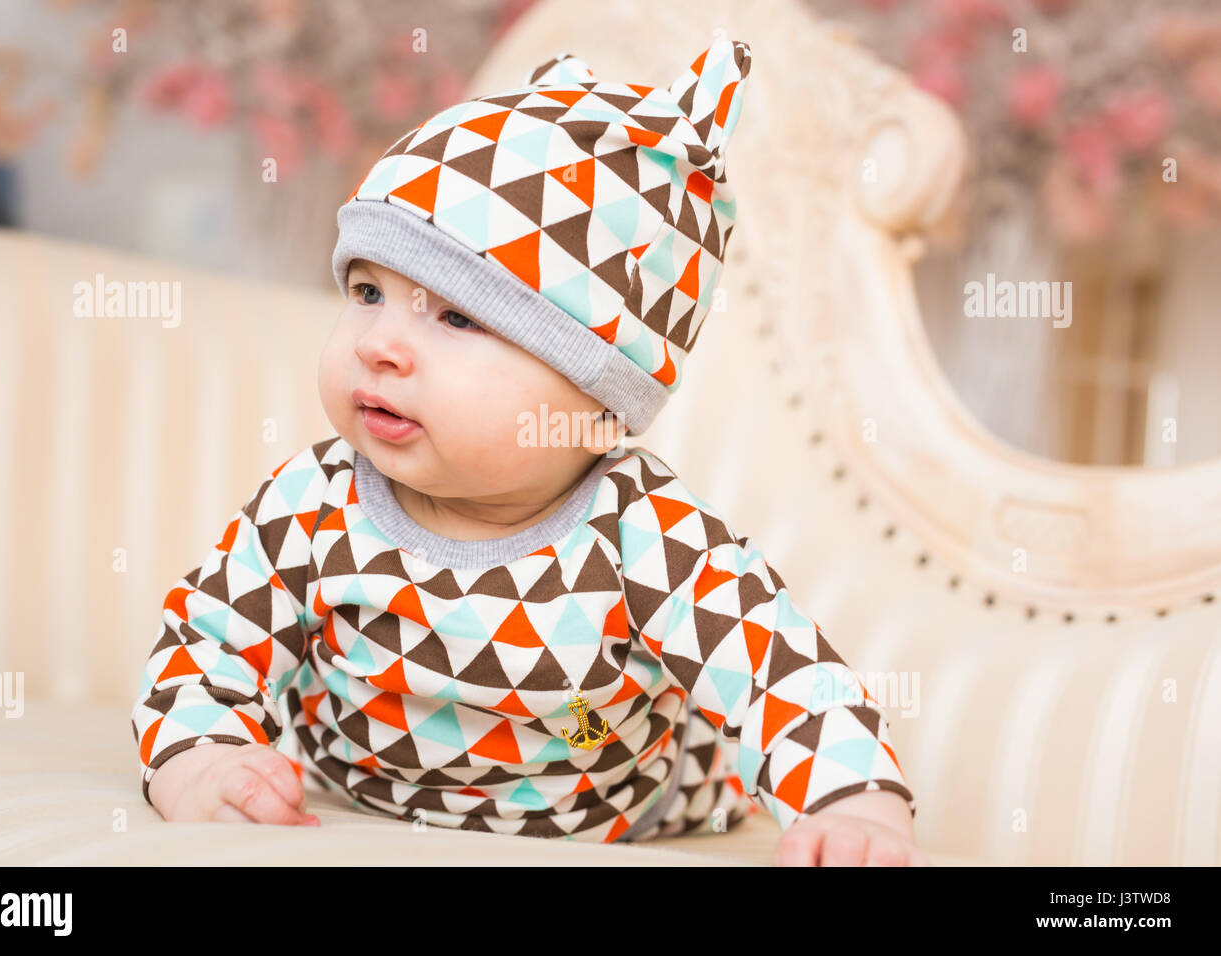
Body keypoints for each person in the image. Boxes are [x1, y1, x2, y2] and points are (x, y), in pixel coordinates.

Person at [131, 38, 926, 865]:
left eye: (458, 317)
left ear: (597, 395)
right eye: (368, 293)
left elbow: (776, 673)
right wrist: (200, 758)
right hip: (348, 780)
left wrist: (856, 806)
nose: (380, 345)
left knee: (712, 746)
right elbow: (209, 639)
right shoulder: (316, 500)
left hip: (622, 803)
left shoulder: (643, 533)